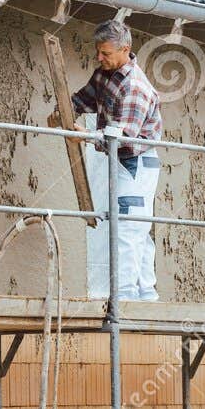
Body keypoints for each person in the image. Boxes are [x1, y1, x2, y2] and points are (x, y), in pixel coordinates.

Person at [55, 19, 164, 301]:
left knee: (130, 228)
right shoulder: (105, 74)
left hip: (136, 162)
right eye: (98, 52)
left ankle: (128, 299)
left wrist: (88, 136)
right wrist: (65, 111)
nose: (99, 58)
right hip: (120, 160)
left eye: (106, 53)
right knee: (136, 227)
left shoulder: (135, 87)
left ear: (125, 50)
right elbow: (84, 99)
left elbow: (124, 137)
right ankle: (146, 297)